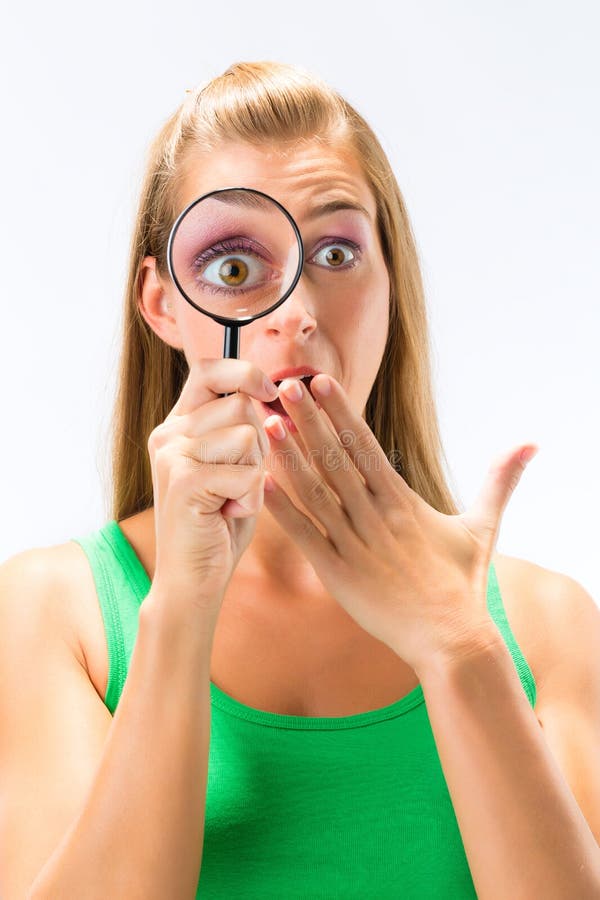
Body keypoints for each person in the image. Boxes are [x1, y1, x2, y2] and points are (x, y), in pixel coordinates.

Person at [1, 61, 598, 900]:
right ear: (162, 302)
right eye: (236, 268)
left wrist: (459, 645)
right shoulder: (53, 612)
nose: (298, 312)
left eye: (337, 251)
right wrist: (179, 610)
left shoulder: (545, 624)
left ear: (393, 286)